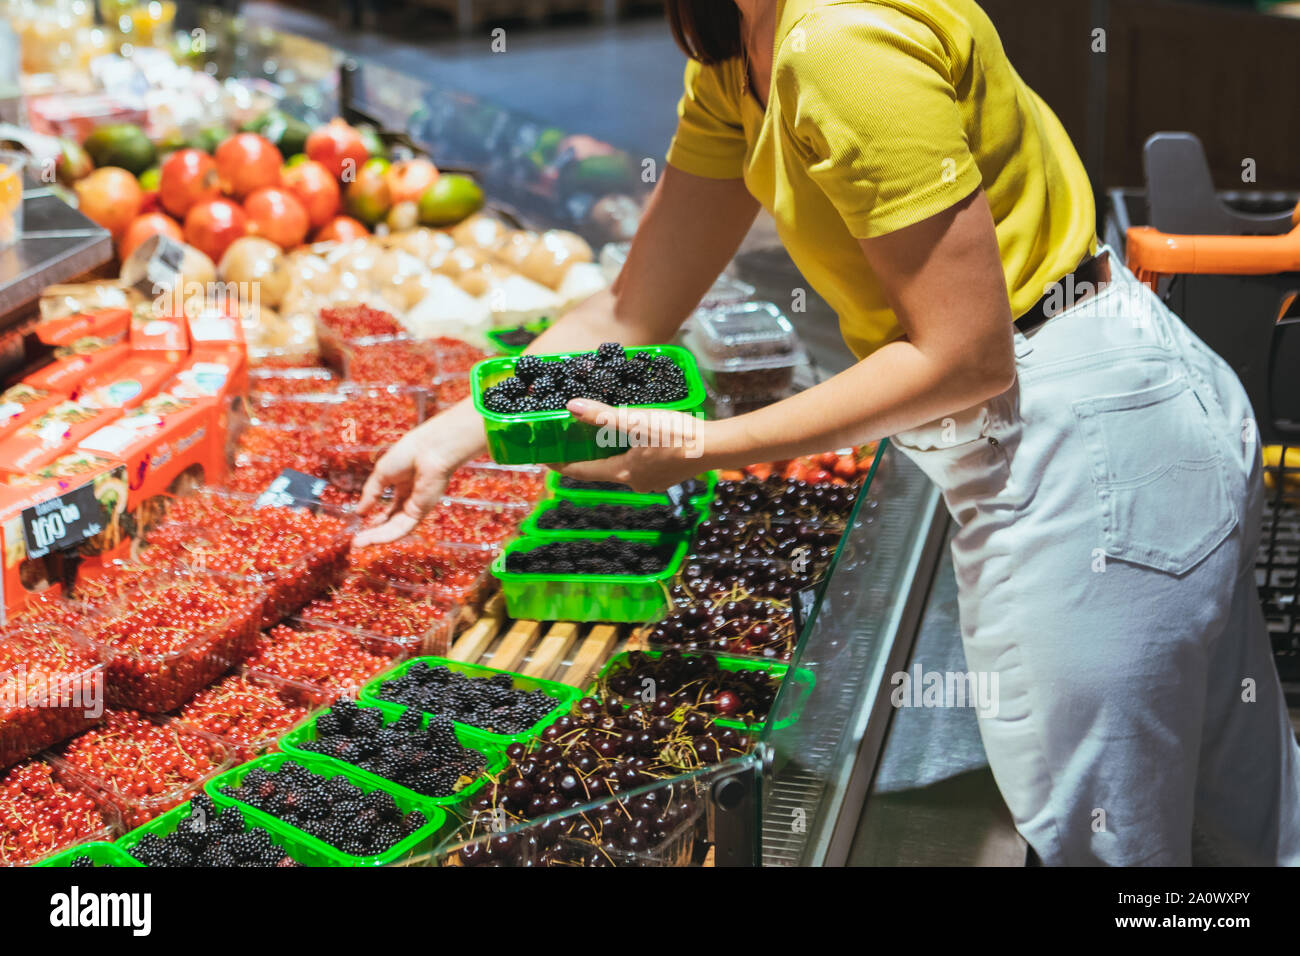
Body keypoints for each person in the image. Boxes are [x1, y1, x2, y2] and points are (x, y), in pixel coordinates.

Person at [355, 0, 1300, 865]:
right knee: (1246, 830)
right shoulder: (738, 52)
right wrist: (469, 421)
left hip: (1088, 455)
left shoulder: (836, 44)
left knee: (1116, 855)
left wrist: (701, 444)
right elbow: (631, 310)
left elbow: (965, 356)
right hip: (1112, 414)